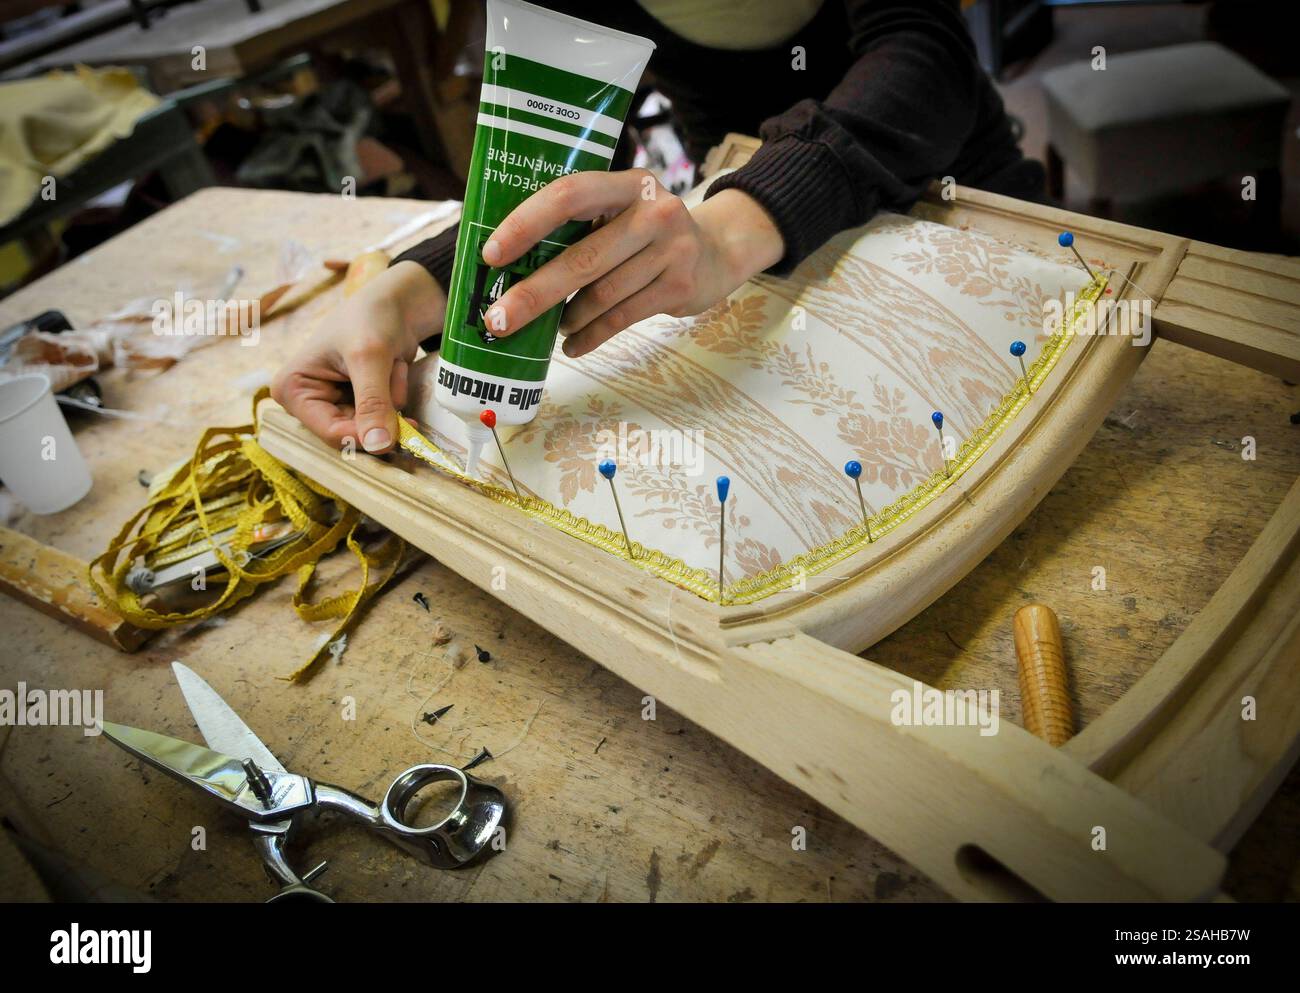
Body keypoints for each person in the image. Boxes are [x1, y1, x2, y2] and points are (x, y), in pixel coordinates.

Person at [272, 0, 1042, 455]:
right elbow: (559, 147)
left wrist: (735, 224)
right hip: (748, 262)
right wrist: (418, 287)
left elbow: (924, 55)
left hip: (959, 211)